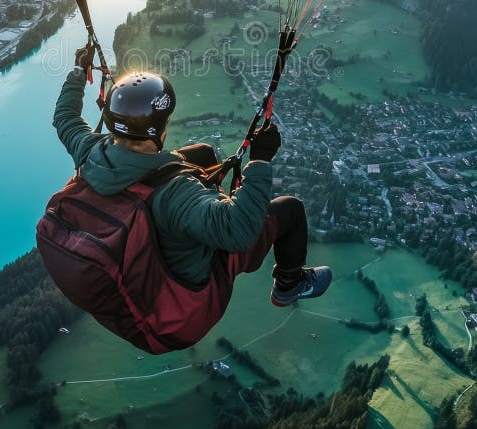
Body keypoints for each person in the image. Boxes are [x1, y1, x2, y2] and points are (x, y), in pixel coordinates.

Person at [51, 44, 332, 315]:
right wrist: (260, 161)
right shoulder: (176, 193)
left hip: (138, 243)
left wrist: (79, 70)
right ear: (161, 129)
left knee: (203, 154)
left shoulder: (89, 150)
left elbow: (65, 117)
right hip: (181, 303)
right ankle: (288, 284)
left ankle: (205, 214)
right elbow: (240, 233)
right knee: (291, 209)